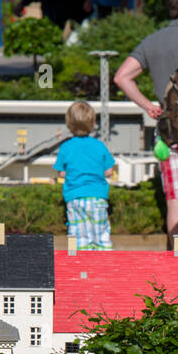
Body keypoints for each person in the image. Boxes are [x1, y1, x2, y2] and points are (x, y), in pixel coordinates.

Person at [113, 0, 178, 242]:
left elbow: (122, 77)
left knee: (176, 203)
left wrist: (149, 106)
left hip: (171, 132)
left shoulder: (152, 41)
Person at [54, 101, 117, 250]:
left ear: (69, 123)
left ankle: (81, 267)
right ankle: (104, 262)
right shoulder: (99, 145)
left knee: (78, 236)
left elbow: (61, 172)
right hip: (97, 196)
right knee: (101, 234)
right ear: (93, 123)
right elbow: (109, 171)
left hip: (74, 197)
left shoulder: (66, 147)